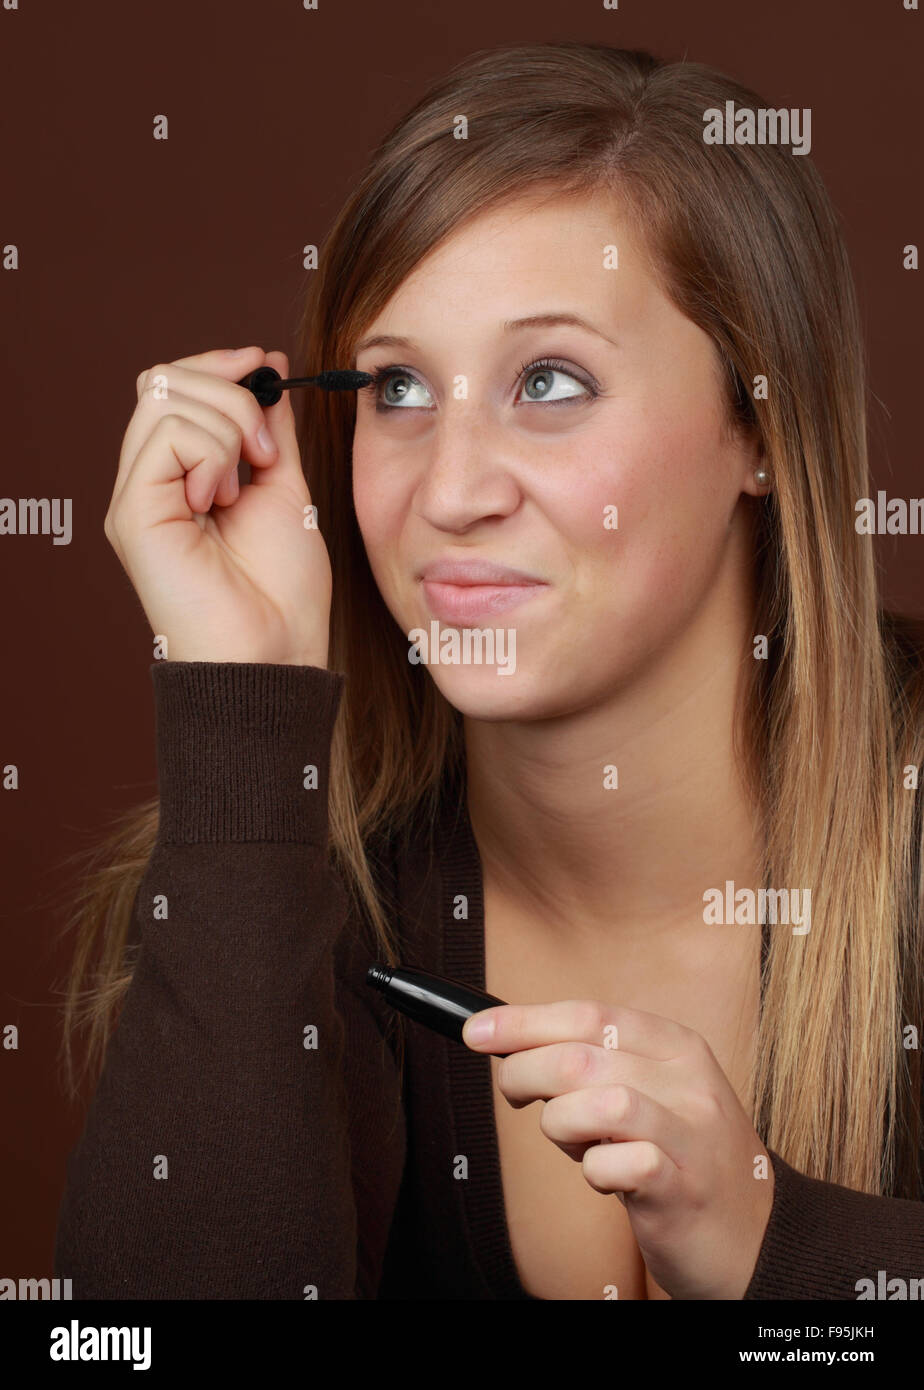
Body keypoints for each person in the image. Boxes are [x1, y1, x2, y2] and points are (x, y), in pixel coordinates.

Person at [54, 41, 924, 1300]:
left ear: (764, 431)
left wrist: (778, 1253)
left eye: (550, 381)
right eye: (399, 387)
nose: (451, 492)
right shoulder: (292, 884)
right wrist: (244, 707)